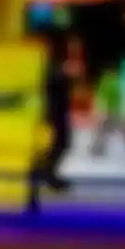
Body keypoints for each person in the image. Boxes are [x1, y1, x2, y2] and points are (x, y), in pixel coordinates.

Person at [36, 32, 74, 191]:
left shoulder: (54, 66)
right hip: (54, 111)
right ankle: (46, 173)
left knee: (60, 143)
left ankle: (47, 173)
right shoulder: (51, 67)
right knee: (58, 143)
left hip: (56, 110)